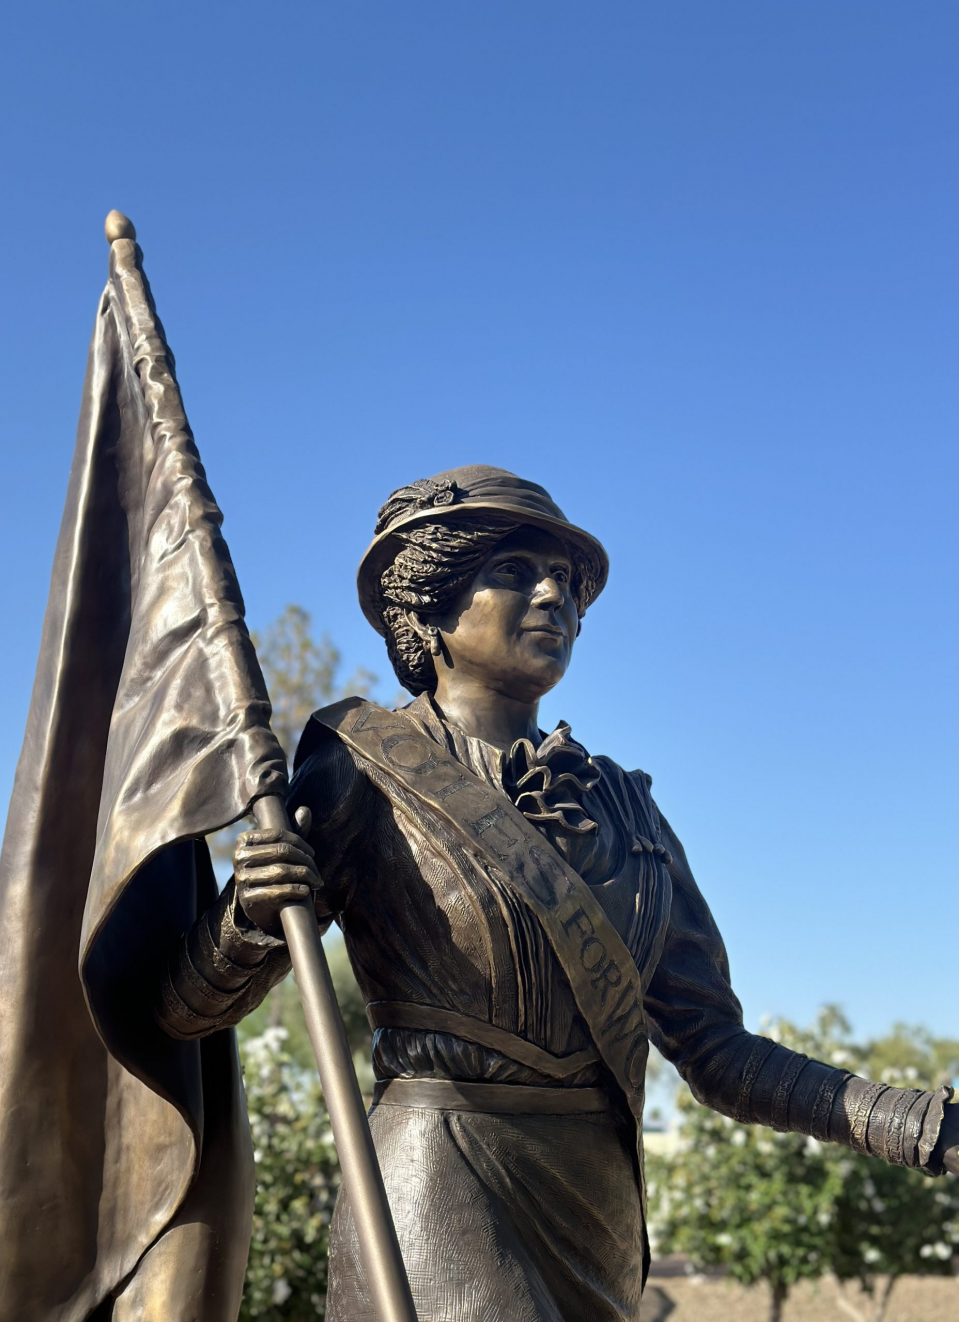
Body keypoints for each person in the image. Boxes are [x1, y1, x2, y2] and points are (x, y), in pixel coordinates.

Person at [156, 465, 959, 1322]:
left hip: (597, 1204)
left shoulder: (626, 806)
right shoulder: (360, 762)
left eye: (569, 584)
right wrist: (246, 914)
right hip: (440, 1176)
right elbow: (185, 1012)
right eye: (515, 572)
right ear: (429, 605)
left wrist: (919, 1125)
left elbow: (716, 1052)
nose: (555, 597)